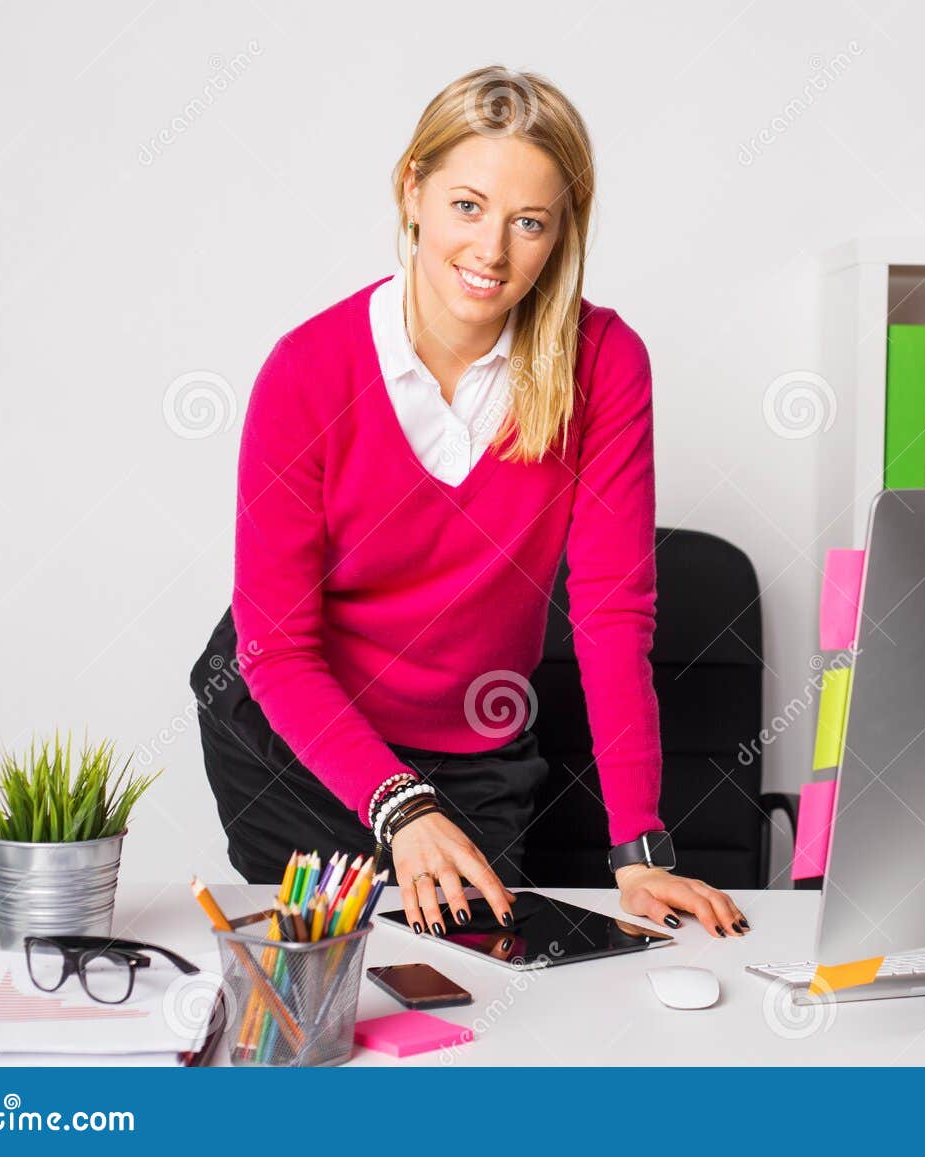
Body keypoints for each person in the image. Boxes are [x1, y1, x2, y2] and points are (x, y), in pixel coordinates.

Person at [191, 65, 750, 942]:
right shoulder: (307, 371)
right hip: (297, 735)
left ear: (563, 232)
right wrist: (399, 806)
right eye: (467, 205)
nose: (493, 250)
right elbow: (278, 648)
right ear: (411, 188)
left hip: (474, 741)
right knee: (326, 989)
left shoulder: (603, 363)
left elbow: (611, 612)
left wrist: (639, 847)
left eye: (529, 222)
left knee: (469, 988)